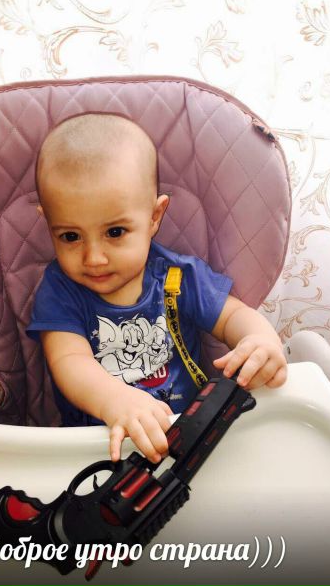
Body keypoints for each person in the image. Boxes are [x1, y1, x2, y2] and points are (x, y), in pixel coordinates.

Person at [27, 113, 287, 464]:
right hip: (100, 446)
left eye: (115, 232)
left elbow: (233, 317)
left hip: (188, 434)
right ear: (48, 224)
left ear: (154, 216)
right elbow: (69, 361)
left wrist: (260, 340)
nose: (94, 258)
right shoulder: (60, 290)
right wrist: (115, 401)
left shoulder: (178, 277)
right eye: (70, 236)